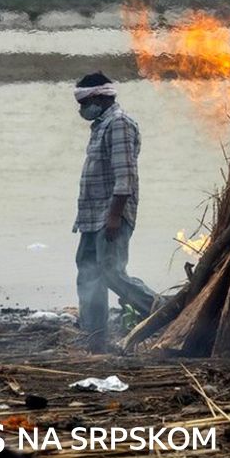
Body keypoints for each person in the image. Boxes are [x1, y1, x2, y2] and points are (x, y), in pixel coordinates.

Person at [72, 72, 157, 352]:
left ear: (99, 97)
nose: (82, 108)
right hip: (91, 217)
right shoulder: (101, 126)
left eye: (85, 101)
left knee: (111, 273)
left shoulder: (119, 124)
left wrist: (114, 216)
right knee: (88, 273)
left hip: (110, 216)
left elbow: (125, 177)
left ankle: (162, 313)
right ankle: (96, 338)